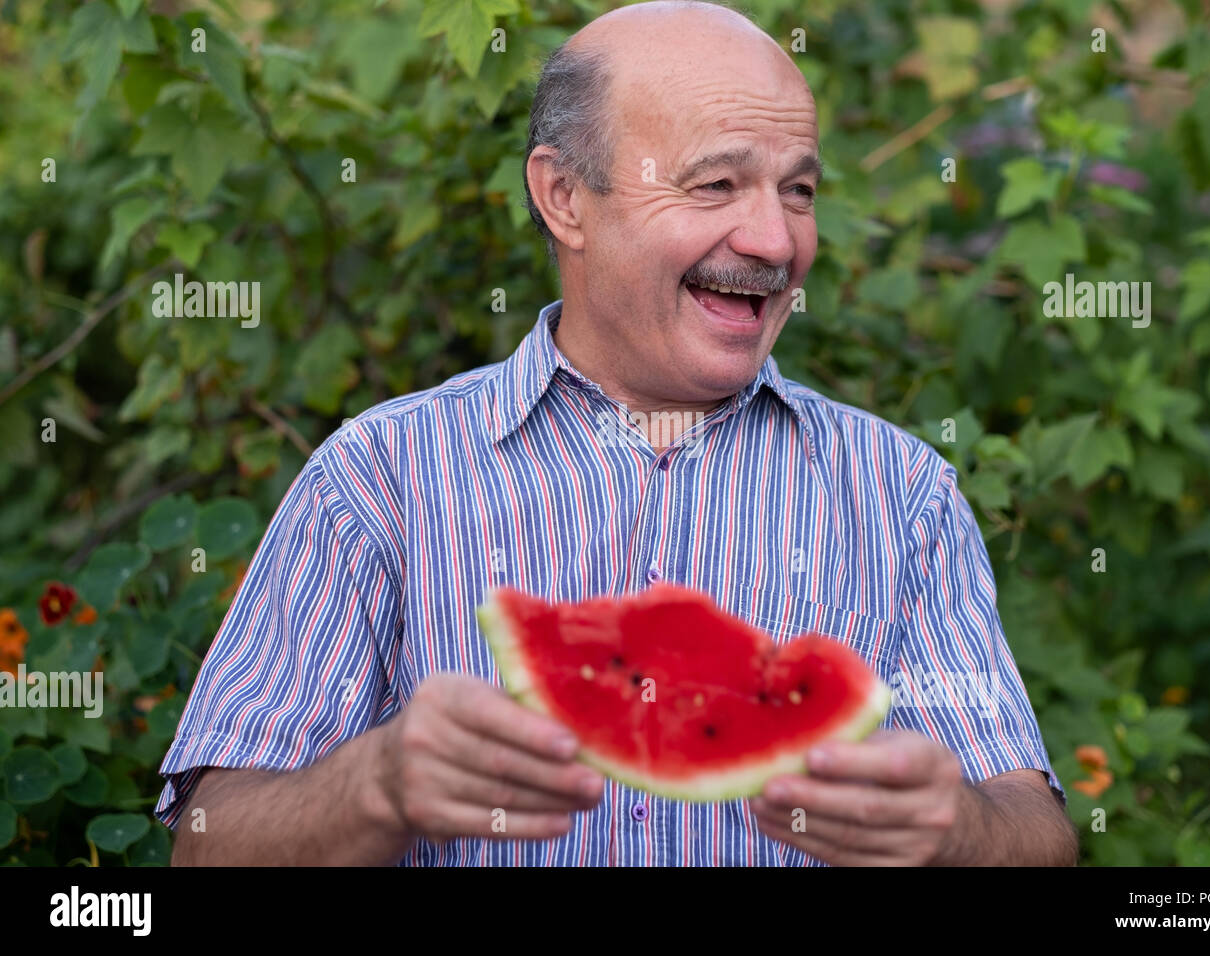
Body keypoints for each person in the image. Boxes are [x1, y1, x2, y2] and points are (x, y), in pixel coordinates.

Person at [157, 0, 1077, 866]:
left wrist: (955, 827)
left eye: (797, 192)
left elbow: (1039, 834)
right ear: (564, 197)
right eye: (716, 182)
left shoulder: (899, 493)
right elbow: (205, 842)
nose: (773, 239)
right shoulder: (383, 478)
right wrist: (377, 783)